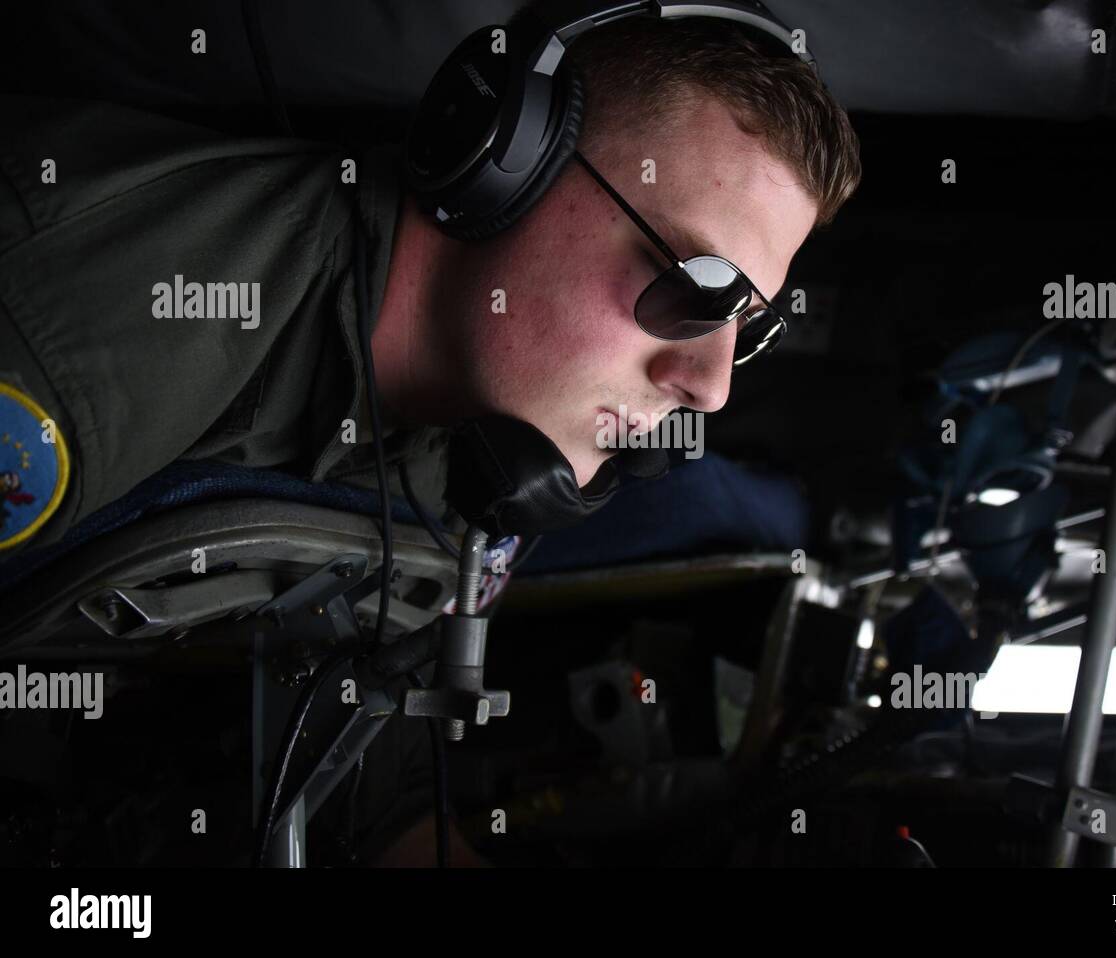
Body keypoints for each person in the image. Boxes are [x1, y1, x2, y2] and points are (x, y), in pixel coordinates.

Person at [0, 5, 860, 863]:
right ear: (500, 166)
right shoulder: (104, 315)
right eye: (698, 285)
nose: (711, 388)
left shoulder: (489, 457)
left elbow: (379, 787)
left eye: (748, 328)